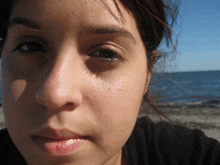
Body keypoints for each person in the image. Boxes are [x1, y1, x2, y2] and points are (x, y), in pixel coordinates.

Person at [0, 0, 220, 165]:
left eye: (106, 53)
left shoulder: (192, 156)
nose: (55, 95)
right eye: (30, 47)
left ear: (147, 74)